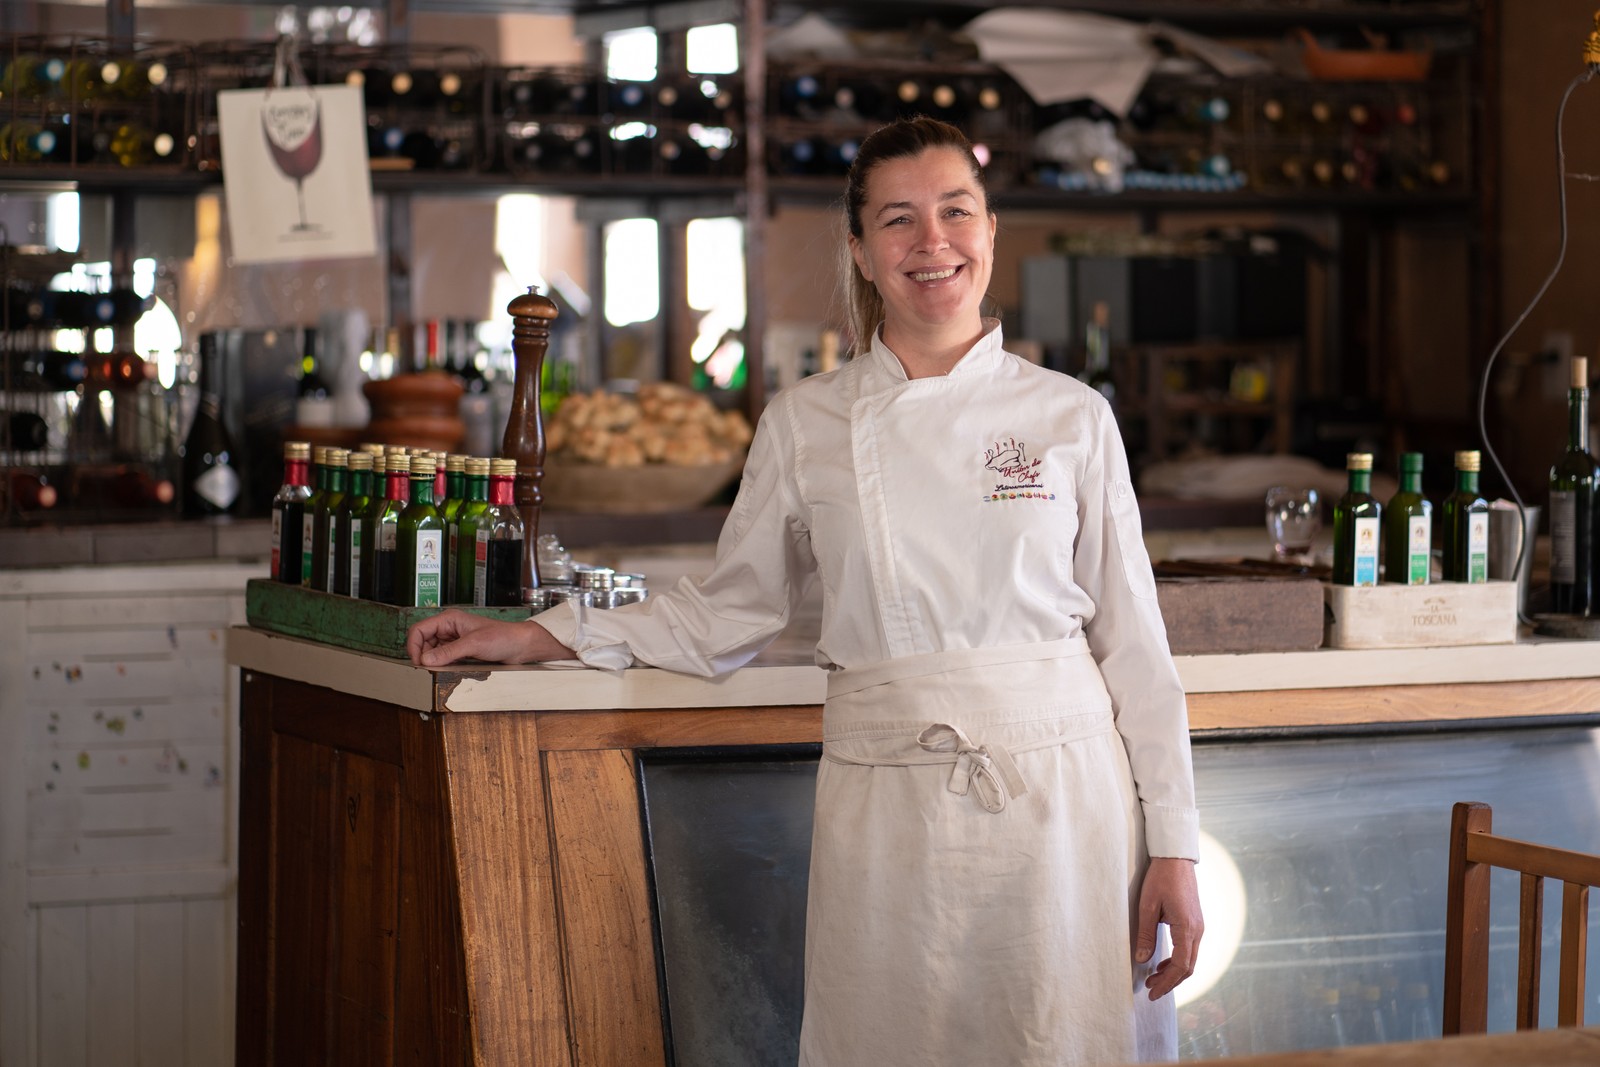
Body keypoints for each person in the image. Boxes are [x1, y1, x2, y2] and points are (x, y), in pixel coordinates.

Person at [407, 115, 1203, 1067]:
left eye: (956, 212)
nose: (932, 242)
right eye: (899, 220)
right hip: (885, 808)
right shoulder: (805, 422)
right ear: (862, 251)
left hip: (1067, 804)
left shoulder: (1071, 416)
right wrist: (537, 634)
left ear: (991, 232)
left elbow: (1134, 647)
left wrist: (1176, 846)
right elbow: (726, 613)